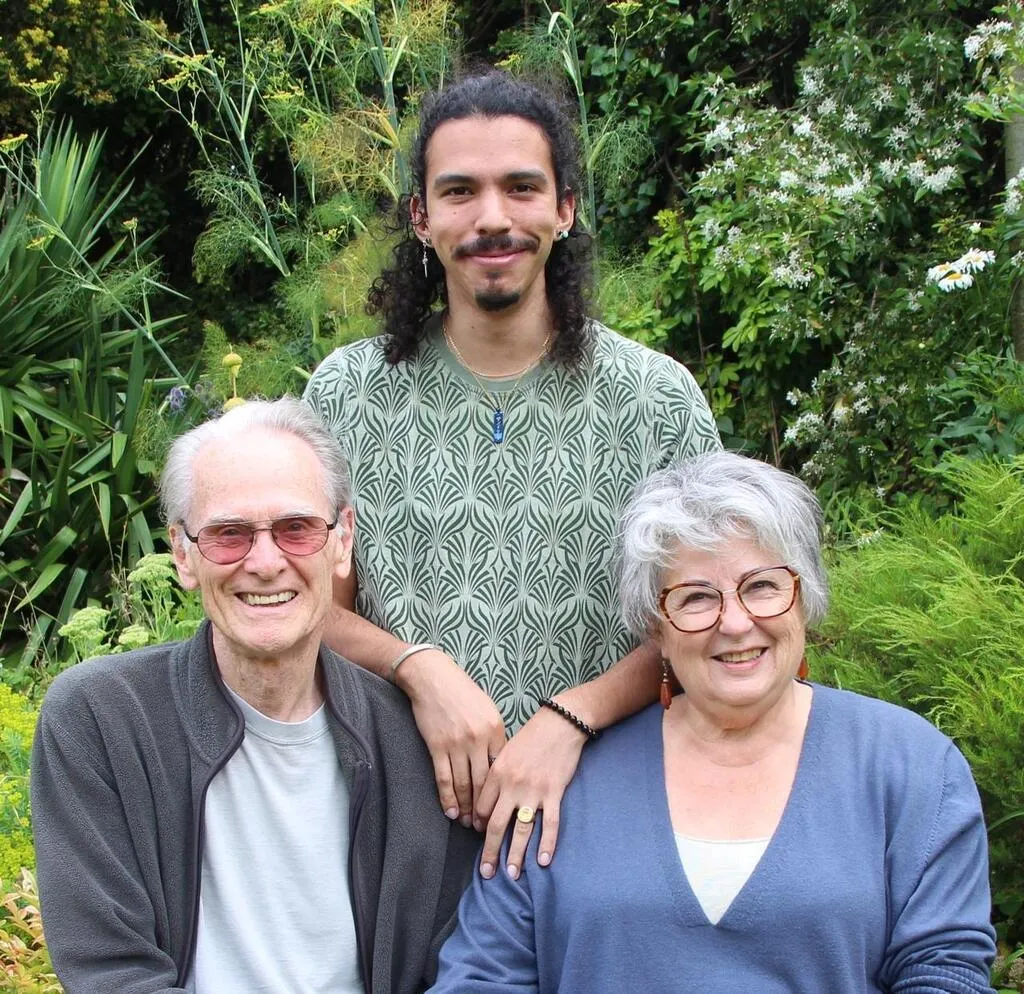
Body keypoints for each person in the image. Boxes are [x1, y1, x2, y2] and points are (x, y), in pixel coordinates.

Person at [303, 69, 721, 881]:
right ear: (421, 218)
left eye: (521, 188)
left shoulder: (659, 401)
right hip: (402, 828)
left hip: (612, 825)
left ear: (564, 209)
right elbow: (314, 608)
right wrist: (417, 667)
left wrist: (570, 718)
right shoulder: (345, 394)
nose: (492, 218)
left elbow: (701, 617)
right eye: (459, 191)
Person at [428, 450, 997, 994]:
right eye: (697, 598)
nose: (735, 622)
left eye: (763, 587)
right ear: (657, 628)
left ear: (804, 597)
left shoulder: (911, 766)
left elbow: (945, 969)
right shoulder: (559, 783)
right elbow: (483, 974)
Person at [31, 398, 477, 994]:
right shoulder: (102, 720)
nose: (265, 563)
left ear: (341, 541)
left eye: (296, 529)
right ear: (184, 555)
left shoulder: (414, 744)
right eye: (228, 534)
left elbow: (456, 966)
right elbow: (112, 972)